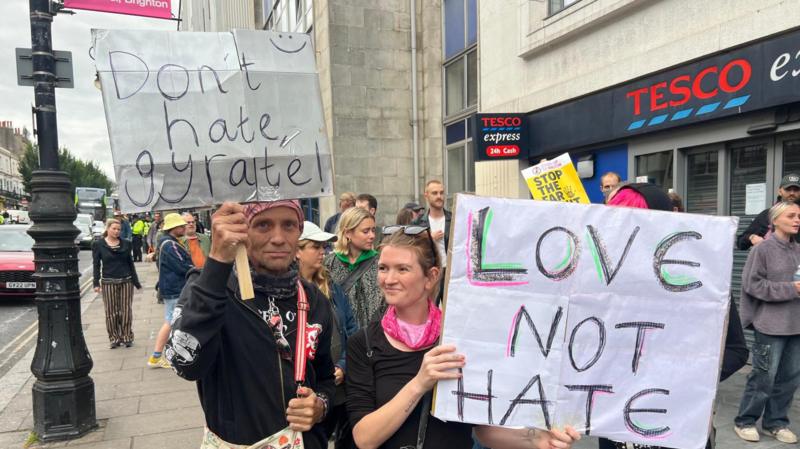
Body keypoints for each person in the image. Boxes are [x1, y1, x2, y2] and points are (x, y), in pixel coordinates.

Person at [346, 226, 581, 449]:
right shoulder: (364, 343)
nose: (388, 279)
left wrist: (536, 439)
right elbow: (365, 439)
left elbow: (482, 429)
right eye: (383, 268)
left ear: (431, 277)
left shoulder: (461, 339)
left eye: (402, 269)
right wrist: (419, 383)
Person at [166, 201, 335, 448]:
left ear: (299, 233)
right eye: (263, 225)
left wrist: (319, 405)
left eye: (288, 225)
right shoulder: (209, 287)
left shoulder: (313, 299)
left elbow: (326, 378)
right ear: (243, 231)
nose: (278, 237)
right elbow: (185, 364)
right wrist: (217, 263)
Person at [600, 183, 749, 449]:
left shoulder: (704, 283)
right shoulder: (598, 283)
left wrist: (683, 377)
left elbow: (736, 350)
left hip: (680, 420)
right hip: (617, 424)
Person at [733, 200, 800, 444]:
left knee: (790, 379)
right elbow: (753, 285)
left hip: (796, 325)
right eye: (791, 216)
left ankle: (776, 422)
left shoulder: (798, 249)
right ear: (775, 220)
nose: (797, 220)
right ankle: (745, 420)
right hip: (770, 325)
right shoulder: (762, 250)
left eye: (799, 216)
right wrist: (791, 289)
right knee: (763, 377)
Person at [297, 221, 359, 449]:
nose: (323, 252)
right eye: (316, 246)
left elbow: (352, 328)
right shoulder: (286, 292)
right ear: (297, 251)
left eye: (324, 246)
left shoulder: (331, 285)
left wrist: (343, 365)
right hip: (307, 392)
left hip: (338, 387)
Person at [147, 213, 193, 369]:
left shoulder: (169, 242)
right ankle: (156, 357)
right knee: (170, 321)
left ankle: (167, 353)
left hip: (172, 288)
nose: (184, 227)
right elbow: (182, 266)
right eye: (181, 226)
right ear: (174, 228)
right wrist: (197, 271)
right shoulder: (170, 244)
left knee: (173, 321)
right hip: (175, 288)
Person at [324, 207, 383, 328]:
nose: (372, 236)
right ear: (348, 233)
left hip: (373, 336)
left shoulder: (381, 263)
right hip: (341, 336)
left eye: (373, 230)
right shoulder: (329, 264)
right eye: (366, 231)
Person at [92, 218, 141, 348]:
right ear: (107, 229)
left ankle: (127, 337)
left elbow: (130, 263)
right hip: (108, 282)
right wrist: (96, 283)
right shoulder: (98, 244)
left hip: (126, 281)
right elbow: (96, 265)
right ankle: (114, 338)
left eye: (119, 229)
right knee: (111, 312)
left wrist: (136, 282)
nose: (116, 231)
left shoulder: (126, 243)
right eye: (114, 229)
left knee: (125, 311)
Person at [737, 173, 800, 250]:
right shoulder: (768, 214)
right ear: (780, 191)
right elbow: (741, 243)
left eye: (796, 189)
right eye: (788, 189)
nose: (792, 193)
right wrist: (752, 237)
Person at [413, 180, 451, 303]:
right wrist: (429, 238)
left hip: (450, 273)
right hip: (430, 272)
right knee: (430, 311)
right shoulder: (418, 223)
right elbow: (412, 247)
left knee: (451, 311)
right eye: (434, 193)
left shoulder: (454, 218)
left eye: (441, 193)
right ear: (426, 195)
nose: (439, 196)